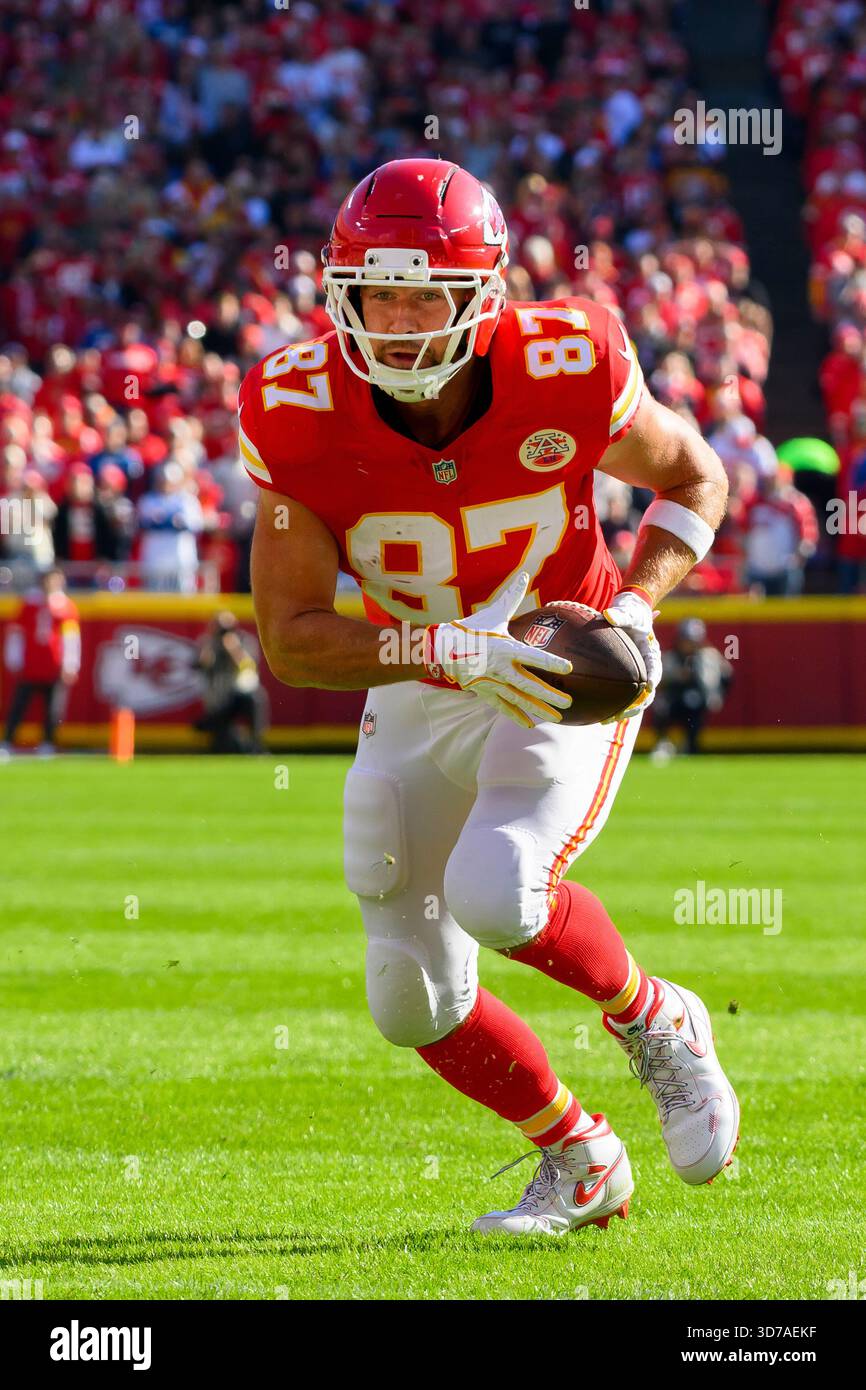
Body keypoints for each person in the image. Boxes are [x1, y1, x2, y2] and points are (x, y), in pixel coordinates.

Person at [242, 159, 739, 1237]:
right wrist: (439, 646)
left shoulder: (567, 361)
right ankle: (578, 1157)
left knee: (498, 887)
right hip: (424, 674)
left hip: (552, 665)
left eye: (427, 292)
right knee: (407, 996)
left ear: (485, 295)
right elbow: (289, 639)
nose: (400, 319)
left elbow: (696, 478)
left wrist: (639, 611)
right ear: (341, 292)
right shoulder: (295, 408)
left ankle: (653, 1019)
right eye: (378, 291)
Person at [1, 568, 80, 757]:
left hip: (53, 665)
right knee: (18, 706)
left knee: (53, 709)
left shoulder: (65, 606)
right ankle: (8, 741)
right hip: (31, 664)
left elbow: (71, 638)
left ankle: (48, 743)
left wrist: (70, 664)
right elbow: (16, 633)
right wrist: (13, 657)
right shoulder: (29, 604)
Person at [652, 618, 734, 758]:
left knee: (692, 702)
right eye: (686, 640)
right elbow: (659, 682)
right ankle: (664, 743)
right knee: (661, 705)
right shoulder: (670, 657)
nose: (688, 645)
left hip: (696, 700)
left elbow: (726, 677)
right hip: (673, 699)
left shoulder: (708, 657)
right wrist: (677, 677)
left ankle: (690, 744)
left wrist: (715, 695)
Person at [192, 611, 267, 753]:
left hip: (241, 694)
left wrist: (234, 648)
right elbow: (201, 666)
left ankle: (256, 745)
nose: (223, 633)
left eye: (226, 629)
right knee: (221, 743)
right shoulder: (208, 643)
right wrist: (209, 646)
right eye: (220, 628)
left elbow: (248, 666)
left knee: (255, 699)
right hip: (220, 698)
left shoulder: (244, 641)